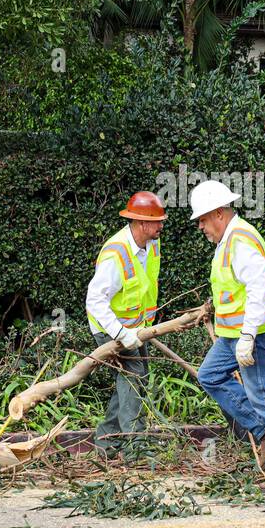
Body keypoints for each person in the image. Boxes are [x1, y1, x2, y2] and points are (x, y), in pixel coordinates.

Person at [190, 180, 265, 491]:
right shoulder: (228, 239)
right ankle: (264, 432)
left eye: (203, 220)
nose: (201, 227)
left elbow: (260, 290)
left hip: (255, 331)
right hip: (236, 333)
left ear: (218, 213)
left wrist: (248, 337)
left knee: (263, 394)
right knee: (210, 375)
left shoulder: (240, 240)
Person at [84, 190, 166, 454]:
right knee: (134, 379)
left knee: (130, 383)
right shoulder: (115, 255)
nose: (162, 226)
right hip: (111, 328)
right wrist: (121, 332)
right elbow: (95, 301)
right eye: (158, 222)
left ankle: (107, 442)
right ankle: (134, 447)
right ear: (142, 223)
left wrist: (139, 330)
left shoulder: (151, 244)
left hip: (135, 328)